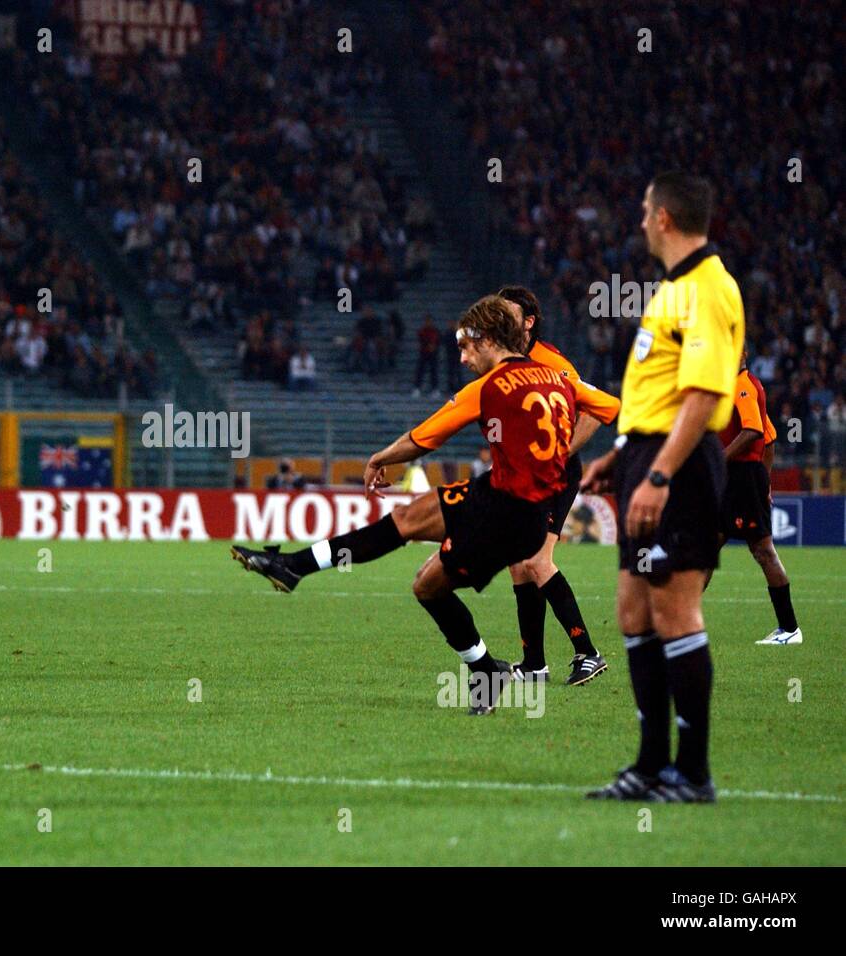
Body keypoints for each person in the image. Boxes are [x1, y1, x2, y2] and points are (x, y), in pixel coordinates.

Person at [234, 295, 577, 715]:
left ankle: (486, 668)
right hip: (510, 497)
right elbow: (605, 407)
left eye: (467, 347)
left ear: (488, 340)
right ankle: (293, 567)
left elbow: (426, 438)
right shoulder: (558, 378)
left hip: (506, 513)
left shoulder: (490, 386)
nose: (464, 358)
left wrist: (380, 458)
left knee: (426, 585)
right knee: (405, 518)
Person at [581, 171, 743, 803]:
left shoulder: (707, 288)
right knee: (633, 608)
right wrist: (620, 454)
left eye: (646, 209)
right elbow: (661, 392)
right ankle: (651, 766)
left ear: (666, 219)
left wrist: (657, 473)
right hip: (646, 451)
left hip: (678, 464)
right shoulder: (672, 289)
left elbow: (703, 394)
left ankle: (693, 773)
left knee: (675, 610)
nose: (641, 219)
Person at [496, 286, 622, 685]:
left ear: (529, 322)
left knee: (535, 562)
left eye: (509, 314)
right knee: (518, 566)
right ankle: (534, 665)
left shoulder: (552, 362)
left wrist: (559, 452)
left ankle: (589, 653)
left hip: (556, 475)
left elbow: (596, 407)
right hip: (524, 476)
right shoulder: (501, 360)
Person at [713, 350, 801, 645]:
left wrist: (723, 460)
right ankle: (677, 623)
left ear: (744, 355)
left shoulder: (743, 385)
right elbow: (770, 437)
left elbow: (754, 431)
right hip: (738, 479)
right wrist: (765, 483)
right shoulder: (733, 387)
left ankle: (789, 629)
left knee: (763, 551)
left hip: (742, 478)